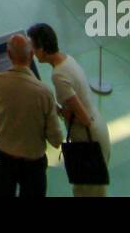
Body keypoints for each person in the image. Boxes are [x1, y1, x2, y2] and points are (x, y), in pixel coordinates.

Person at [28, 22, 111, 197]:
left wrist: (56, 109)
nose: (33, 53)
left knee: (86, 192)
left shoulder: (58, 75)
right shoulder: (68, 59)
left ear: (42, 49)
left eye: (33, 48)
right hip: (98, 131)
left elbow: (83, 118)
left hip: (87, 140)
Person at [0, 34, 63, 197]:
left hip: (1, 156)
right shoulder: (45, 93)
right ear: (31, 55)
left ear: (9, 55)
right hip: (32, 162)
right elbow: (56, 139)